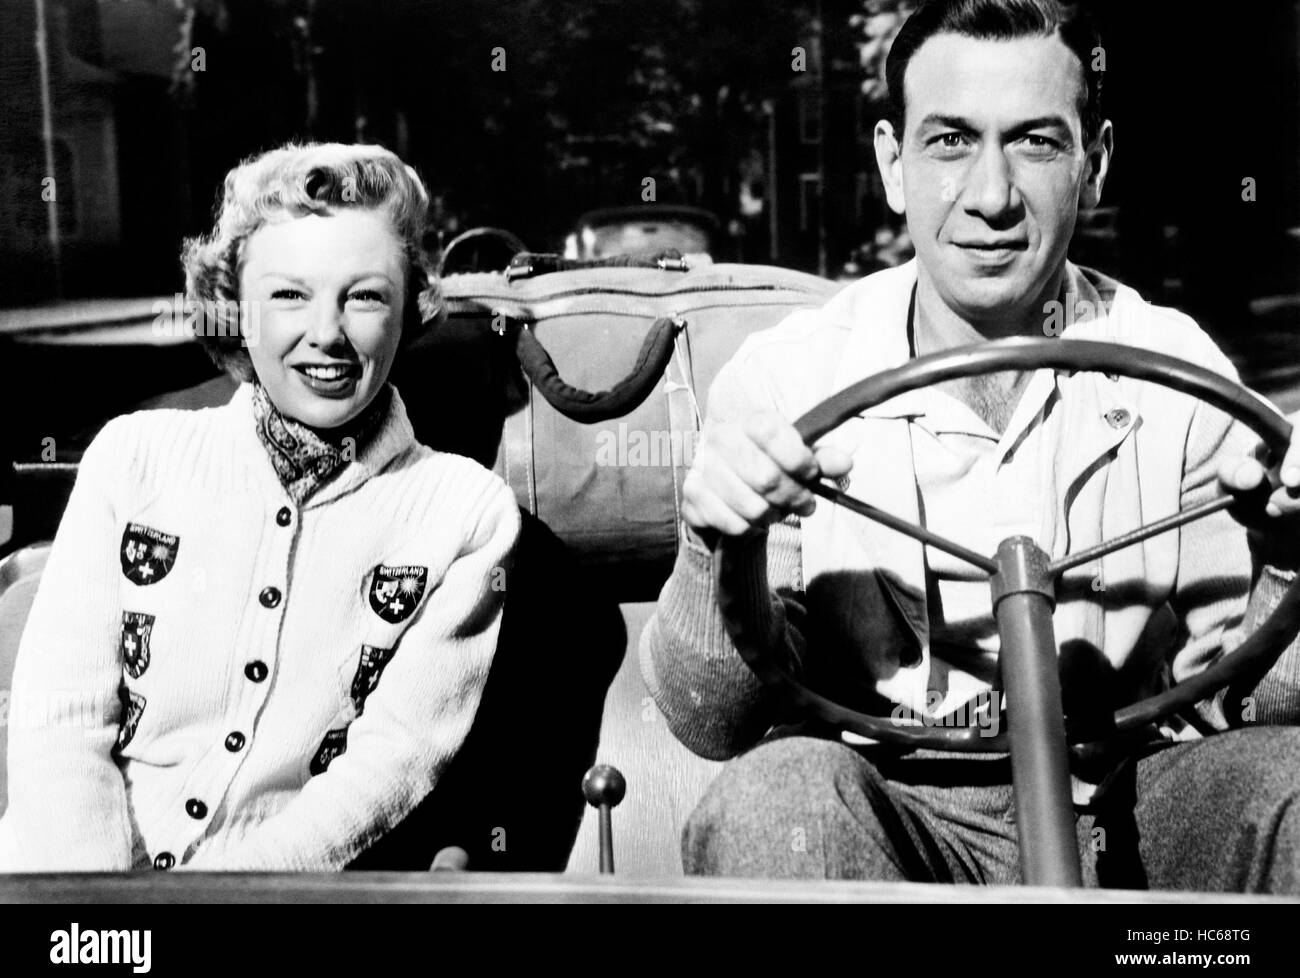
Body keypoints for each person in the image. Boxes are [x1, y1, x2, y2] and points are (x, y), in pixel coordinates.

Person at [641, 0, 1300, 892]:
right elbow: (709, 720)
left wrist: (1287, 564)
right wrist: (720, 546)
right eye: (951, 142)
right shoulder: (788, 379)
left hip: (1130, 802)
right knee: (773, 796)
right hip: (892, 814)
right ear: (891, 163)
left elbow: (1261, 702)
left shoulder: (1173, 367)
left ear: (1094, 163)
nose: (991, 197)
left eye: (1036, 143)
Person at [0, 143, 521, 871]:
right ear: (235, 309)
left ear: (410, 312)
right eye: (288, 295)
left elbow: (391, 764)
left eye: (365, 295)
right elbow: (60, 718)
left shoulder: (467, 513)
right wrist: (101, 908)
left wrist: (217, 903)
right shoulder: (132, 457)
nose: (327, 332)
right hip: (62, 892)